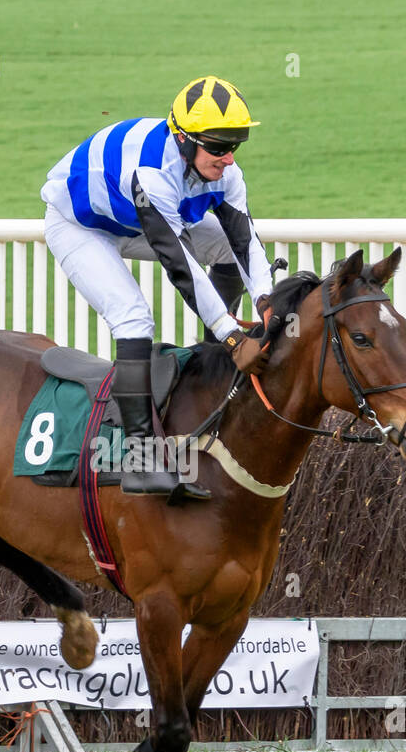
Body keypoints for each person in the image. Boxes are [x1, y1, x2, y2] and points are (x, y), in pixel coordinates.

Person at [41, 75, 276, 502]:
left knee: (224, 246)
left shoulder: (224, 170)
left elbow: (245, 240)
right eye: (218, 148)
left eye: (234, 146)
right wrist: (233, 333)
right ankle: (141, 461)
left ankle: (217, 374)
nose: (228, 159)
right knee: (134, 318)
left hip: (134, 218)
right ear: (183, 139)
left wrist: (266, 302)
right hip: (81, 225)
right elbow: (182, 265)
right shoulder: (153, 171)